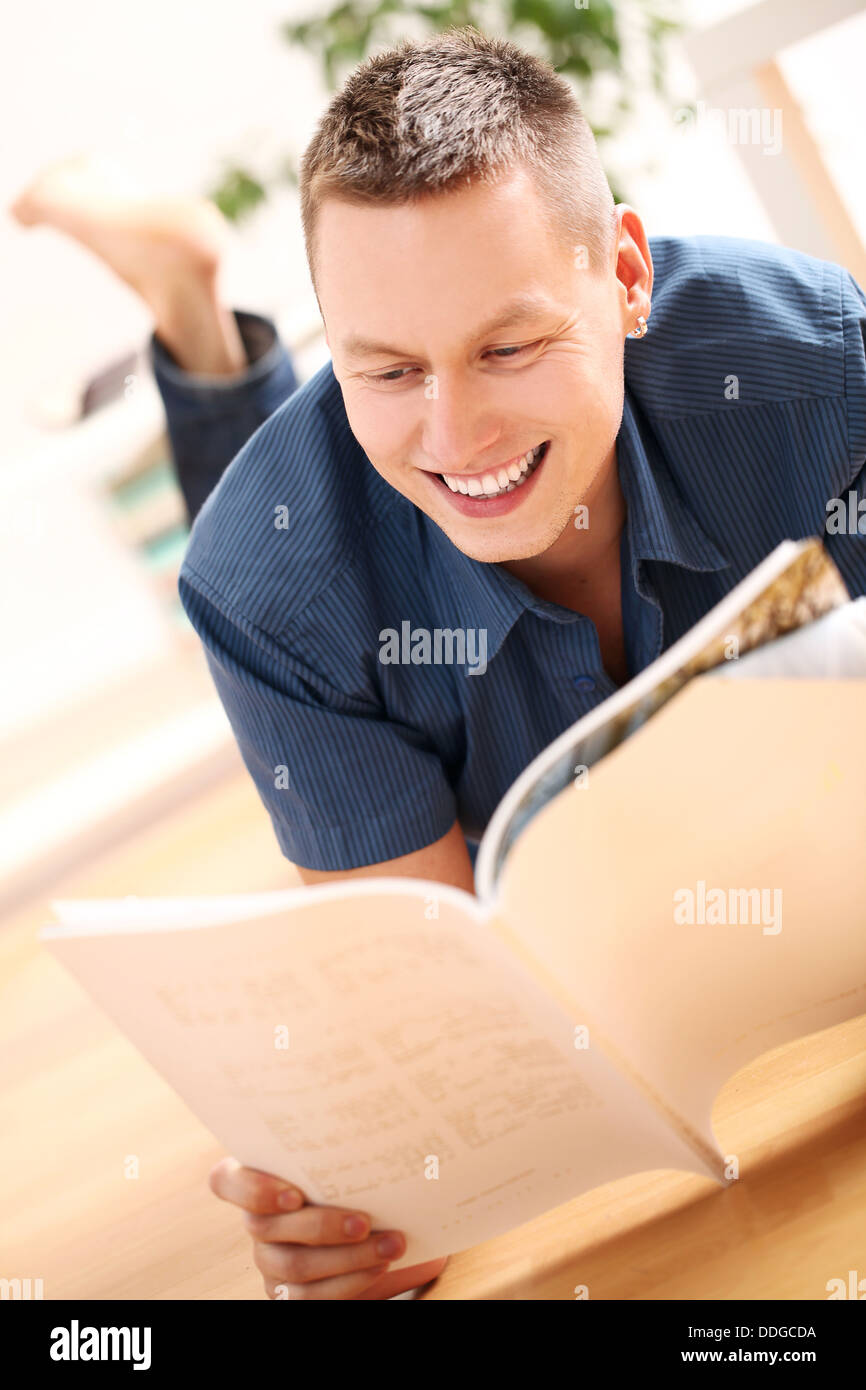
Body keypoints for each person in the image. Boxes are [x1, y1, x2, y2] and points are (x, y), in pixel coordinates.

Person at [13, 26, 866, 1302]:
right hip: (306, 558)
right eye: (386, 364)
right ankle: (198, 322)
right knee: (299, 527)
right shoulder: (266, 594)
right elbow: (475, 1066)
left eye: (507, 347)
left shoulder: (818, 376)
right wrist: (392, 1204)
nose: (455, 426)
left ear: (625, 276)